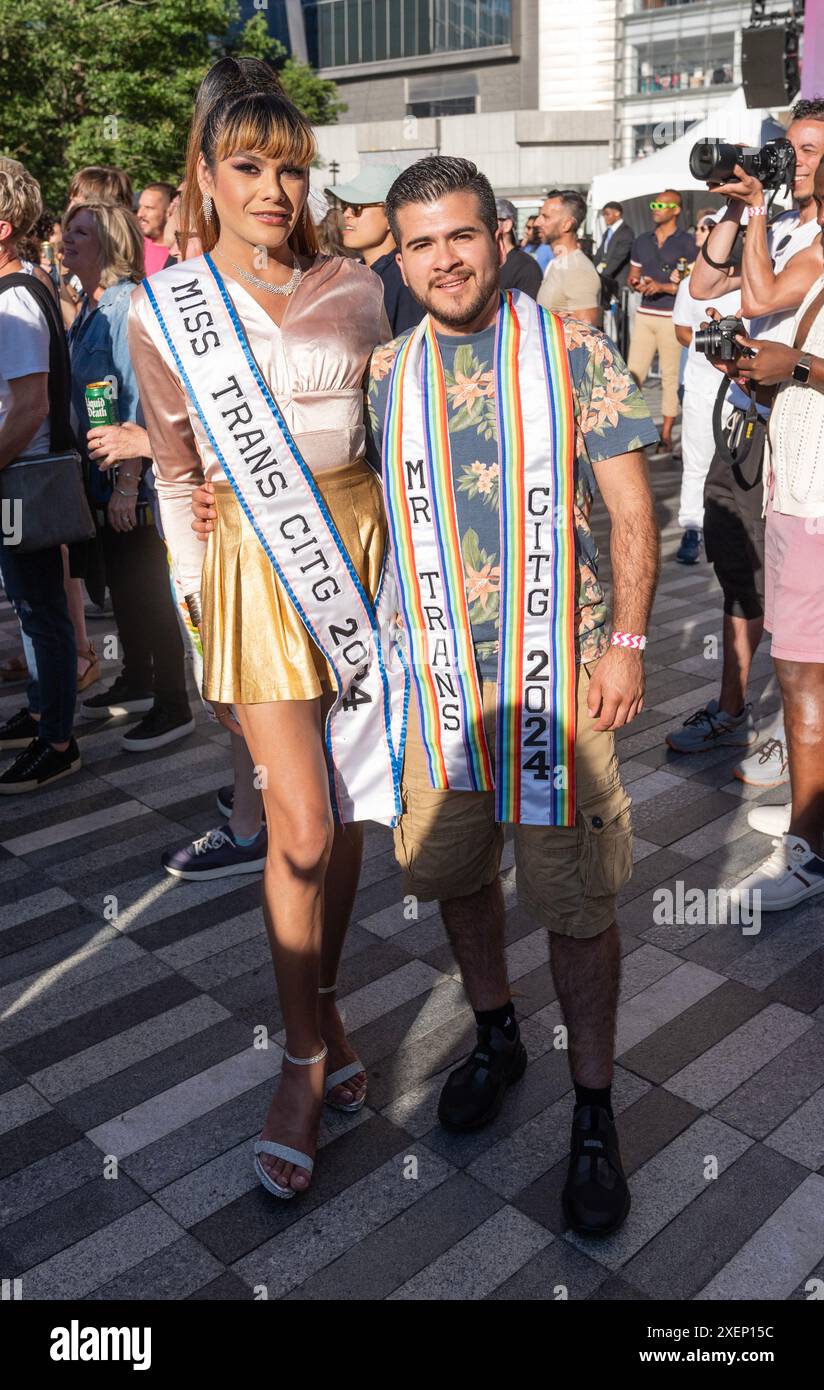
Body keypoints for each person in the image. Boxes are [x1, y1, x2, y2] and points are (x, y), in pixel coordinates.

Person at [128, 65, 406, 1200]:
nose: (273, 189)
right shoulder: (164, 310)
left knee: (341, 827)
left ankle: (324, 1011)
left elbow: (389, 438)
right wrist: (197, 611)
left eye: (289, 167)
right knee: (294, 823)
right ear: (202, 172)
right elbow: (176, 474)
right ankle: (298, 1058)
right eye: (246, 166)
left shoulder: (355, 287)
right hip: (250, 567)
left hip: (361, 558)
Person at [667, 99, 824, 762]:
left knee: (801, 596)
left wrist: (758, 208)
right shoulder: (779, 223)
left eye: (809, 149)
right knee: (741, 572)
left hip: (801, 426)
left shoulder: (804, 239)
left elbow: (760, 300)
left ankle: (801, 734)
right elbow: (705, 284)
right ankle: (740, 710)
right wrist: (740, 203)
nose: (793, 159)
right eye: (789, 146)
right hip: (753, 426)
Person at [725, 156, 824, 899]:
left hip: (816, 500)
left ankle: (808, 849)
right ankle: (810, 814)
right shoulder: (816, 258)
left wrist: (794, 370)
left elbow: (807, 366)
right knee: (804, 670)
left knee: (802, 674)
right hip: (797, 487)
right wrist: (769, 371)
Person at [62, 199, 195, 750]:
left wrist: (126, 483)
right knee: (126, 589)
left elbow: (140, 398)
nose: (67, 240)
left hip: (131, 479)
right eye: (68, 231)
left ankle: (172, 703)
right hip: (105, 475)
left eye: (80, 233)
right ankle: (138, 681)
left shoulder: (123, 306)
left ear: (109, 245)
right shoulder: (92, 306)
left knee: (147, 592)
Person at [0, 157, 80, 793]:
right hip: (16, 475)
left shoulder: (15, 299)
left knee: (40, 610)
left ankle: (57, 739)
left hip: (21, 479)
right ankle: (39, 711)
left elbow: (30, 407)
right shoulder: (20, 289)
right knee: (34, 607)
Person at [671, 209, 738, 565]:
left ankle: (735, 531)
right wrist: (712, 340)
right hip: (700, 386)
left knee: (738, 464)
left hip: (743, 393)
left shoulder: (751, 279)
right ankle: (692, 529)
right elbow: (681, 330)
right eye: (707, 229)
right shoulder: (689, 284)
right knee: (697, 462)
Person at [627, 190, 696, 456]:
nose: (654, 209)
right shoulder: (642, 240)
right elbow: (632, 275)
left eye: (660, 205)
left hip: (671, 317)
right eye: (653, 204)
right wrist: (636, 283)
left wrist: (663, 287)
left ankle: (665, 435)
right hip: (645, 314)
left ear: (676, 210)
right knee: (633, 375)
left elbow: (691, 284)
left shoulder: (687, 242)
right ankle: (631, 430)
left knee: (670, 377)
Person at [325, 164, 423, 335]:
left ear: (391, 216)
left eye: (357, 208)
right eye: (345, 206)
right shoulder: (359, 273)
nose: (346, 214)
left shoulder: (403, 280)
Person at [535, 188, 602, 325]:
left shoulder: (578, 270)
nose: (537, 223)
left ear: (567, 224)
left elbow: (586, 337)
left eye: (545, 217)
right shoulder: (560, 261)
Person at [594, 200, 634, 340]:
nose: (605, 217)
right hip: (606, 281)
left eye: (607, 214)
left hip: (619, 284)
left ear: (617, 213)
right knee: (606, 321)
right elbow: (600, 254)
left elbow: (618, 258)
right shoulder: (608, 232)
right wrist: (593, 272)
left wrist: (602, 274)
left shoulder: (626, 233)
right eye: (604, 214)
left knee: (621, 322)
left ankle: (624, 354)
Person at [495, 197, 542, 297]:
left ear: (506, 225)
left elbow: (527, 310)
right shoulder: (484, 263)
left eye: (489, 220)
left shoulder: (527, 267)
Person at [136, 182, 176, 275]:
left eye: (149, 208)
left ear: (169, 211)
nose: (140, 214)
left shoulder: (179, 254)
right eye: (140, 207)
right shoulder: (134, 245)